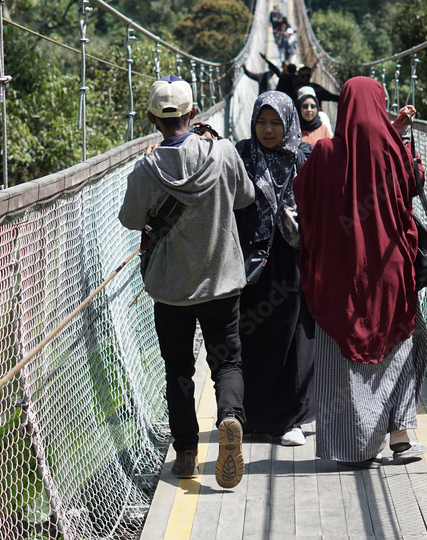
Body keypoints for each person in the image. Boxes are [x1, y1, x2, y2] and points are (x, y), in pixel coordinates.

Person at [118, 75, 253, 488]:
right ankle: (230, 417)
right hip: (221, 282)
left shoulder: (146, 168)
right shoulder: (224, 152)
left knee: (177, 369)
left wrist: (146, 173)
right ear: (194, 115)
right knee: (226, 362)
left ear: (151, 119)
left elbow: (128, 220)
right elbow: (246, 197)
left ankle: (185, 455)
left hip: (171, 289)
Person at [293, 76, 427, 468]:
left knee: (341, 361)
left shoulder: (323, 153)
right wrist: (398, 135)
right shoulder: (394, 151)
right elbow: (414, 182)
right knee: (398, 348)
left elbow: (303, 197)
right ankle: (400, 439)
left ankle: (353, 448)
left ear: (343, 108)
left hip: (340, 280)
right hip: (390, 273)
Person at [234, 92, 315, 446]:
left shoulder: (305, 156)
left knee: (292, 333)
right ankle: (254, 418)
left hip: (292, 256)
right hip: (250, 258)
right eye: (261, 122)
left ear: (289, 124)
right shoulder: (242, 153)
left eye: (276, 123)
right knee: (252, 334)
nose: (268, 130)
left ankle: (291, 419)